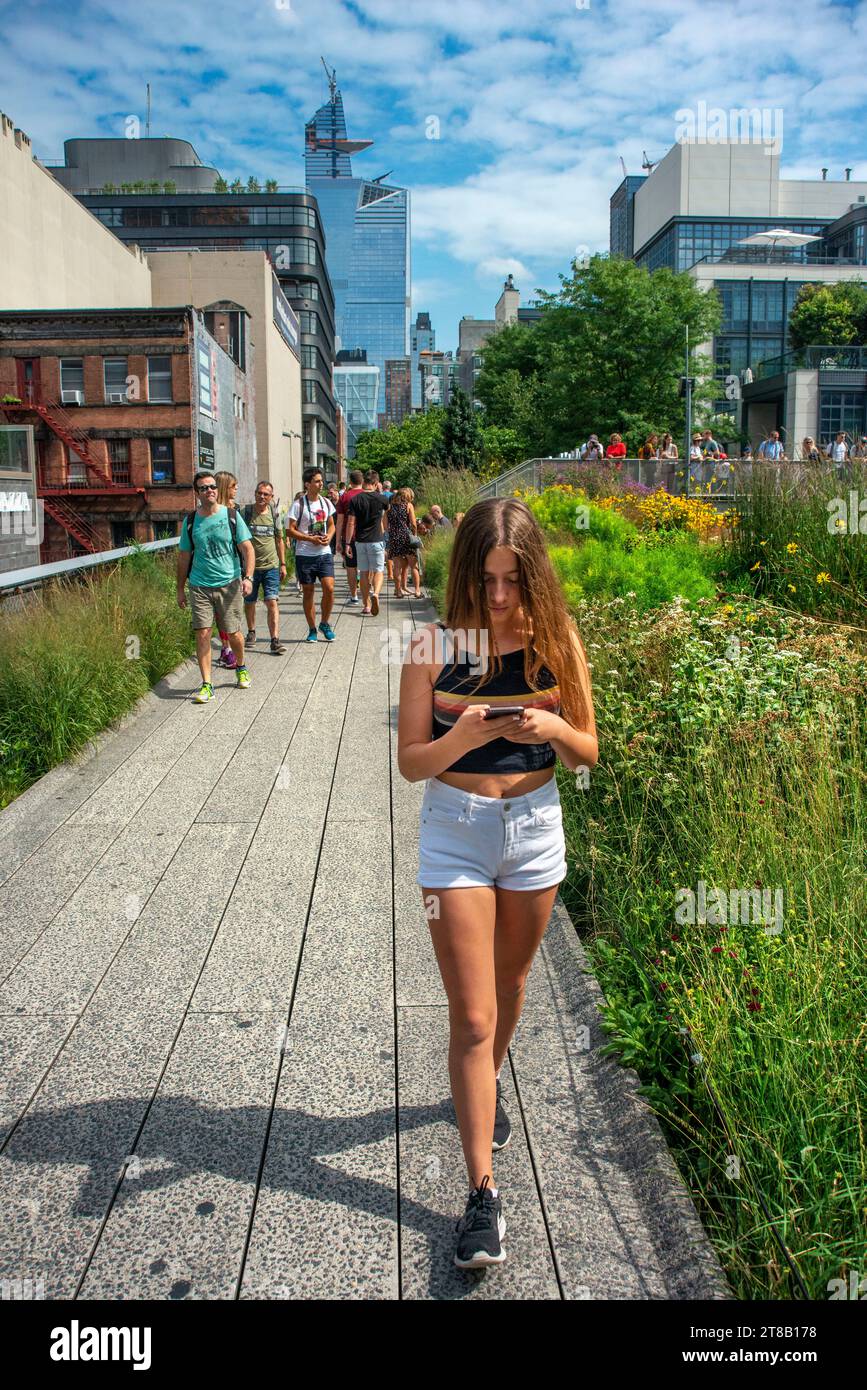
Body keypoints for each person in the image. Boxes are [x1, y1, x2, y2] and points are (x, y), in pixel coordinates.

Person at [397, 497, 598, 1270]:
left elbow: (588, 751)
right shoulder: (432, 644)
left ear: (533, 576)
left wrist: (549, 729)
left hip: (535, 832)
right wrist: (462, 736)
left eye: (513, 580)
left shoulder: (557, 644)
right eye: (486, 580)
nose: (501, 596)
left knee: (511, 987)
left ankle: (481, 1086)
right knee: (473, 1018)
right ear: (466, 577)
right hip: (453, 833)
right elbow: (411, 763)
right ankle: (481, 1195)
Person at [177, 470, 255, 703]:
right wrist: (179, 588)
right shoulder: (190, 521)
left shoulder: (231, 516)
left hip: (229, 583)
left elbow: (248, 548)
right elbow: (184, 556)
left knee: (233, 634)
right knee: (202, 633)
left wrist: (248, 577)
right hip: (199, 585)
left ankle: (241, 667)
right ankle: (207, 684)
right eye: (204, 488)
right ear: (197, 492)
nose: (210, 490)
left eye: (212, 486)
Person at [288, 467, 336, 642]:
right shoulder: (298, 505)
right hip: (305, 555)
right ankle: (312, 628)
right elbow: (290, 531)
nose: (321, 483)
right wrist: (309, 538)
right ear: (307, 484)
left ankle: (324, 622)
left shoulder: (326, 502)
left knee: (329, 588)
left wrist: (329, 537)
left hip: (324, 553)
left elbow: (331, 525)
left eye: (321, 480)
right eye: (317, 481)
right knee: (308, 592)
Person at [242, 479, 286, 655]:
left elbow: (279, 539)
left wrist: (283, 563)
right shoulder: (245, 513)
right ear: (255, 494)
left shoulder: (274, 515)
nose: (262, 496)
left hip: (271, 566)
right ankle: (251, 632)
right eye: (259, 493)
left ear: (271, 497)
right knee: (250, 602)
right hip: (250, 568)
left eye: (265, 494)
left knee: (272, 601)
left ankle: (274, 640)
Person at [344, 469, 389, 616]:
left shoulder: (355, 500)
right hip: (376, 539)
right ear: (376, 483)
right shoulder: (382, 499)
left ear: (364, 482)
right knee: (378, 571)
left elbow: (351, 523)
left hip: (360, 541)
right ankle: (375, 593)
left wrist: (347, 543)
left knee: (363, 572)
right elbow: (385, 519)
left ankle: (366, 605)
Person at [214, 471, 240, 668]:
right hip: (216, 568)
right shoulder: (212, 512)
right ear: (225, 488)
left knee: (230, 612)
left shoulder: (235, 510)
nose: (236, 489)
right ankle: (227, 648)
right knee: (221, 613)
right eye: (233, 486)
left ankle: (228, 648)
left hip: (234, 567)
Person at [336, 469, 364, 605]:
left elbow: (340, 521)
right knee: (366, 567)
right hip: (366, 536)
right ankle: (367, 594)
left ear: (350, 482)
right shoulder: (368, 495)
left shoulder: (344, 497)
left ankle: (354, 596)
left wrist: (338, 541)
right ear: (362, 481)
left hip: (349, 537)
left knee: (351, 568)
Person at [386, 486, 420, 598]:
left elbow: (385, 525)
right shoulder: (408, 506)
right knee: (413, 565)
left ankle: (398, 591)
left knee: (397, 566)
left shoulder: (389, 507)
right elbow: (414, 523)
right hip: (406, 537)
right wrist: (415, 535)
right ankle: (417, 591)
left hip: (394, 537)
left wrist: (391, 533)